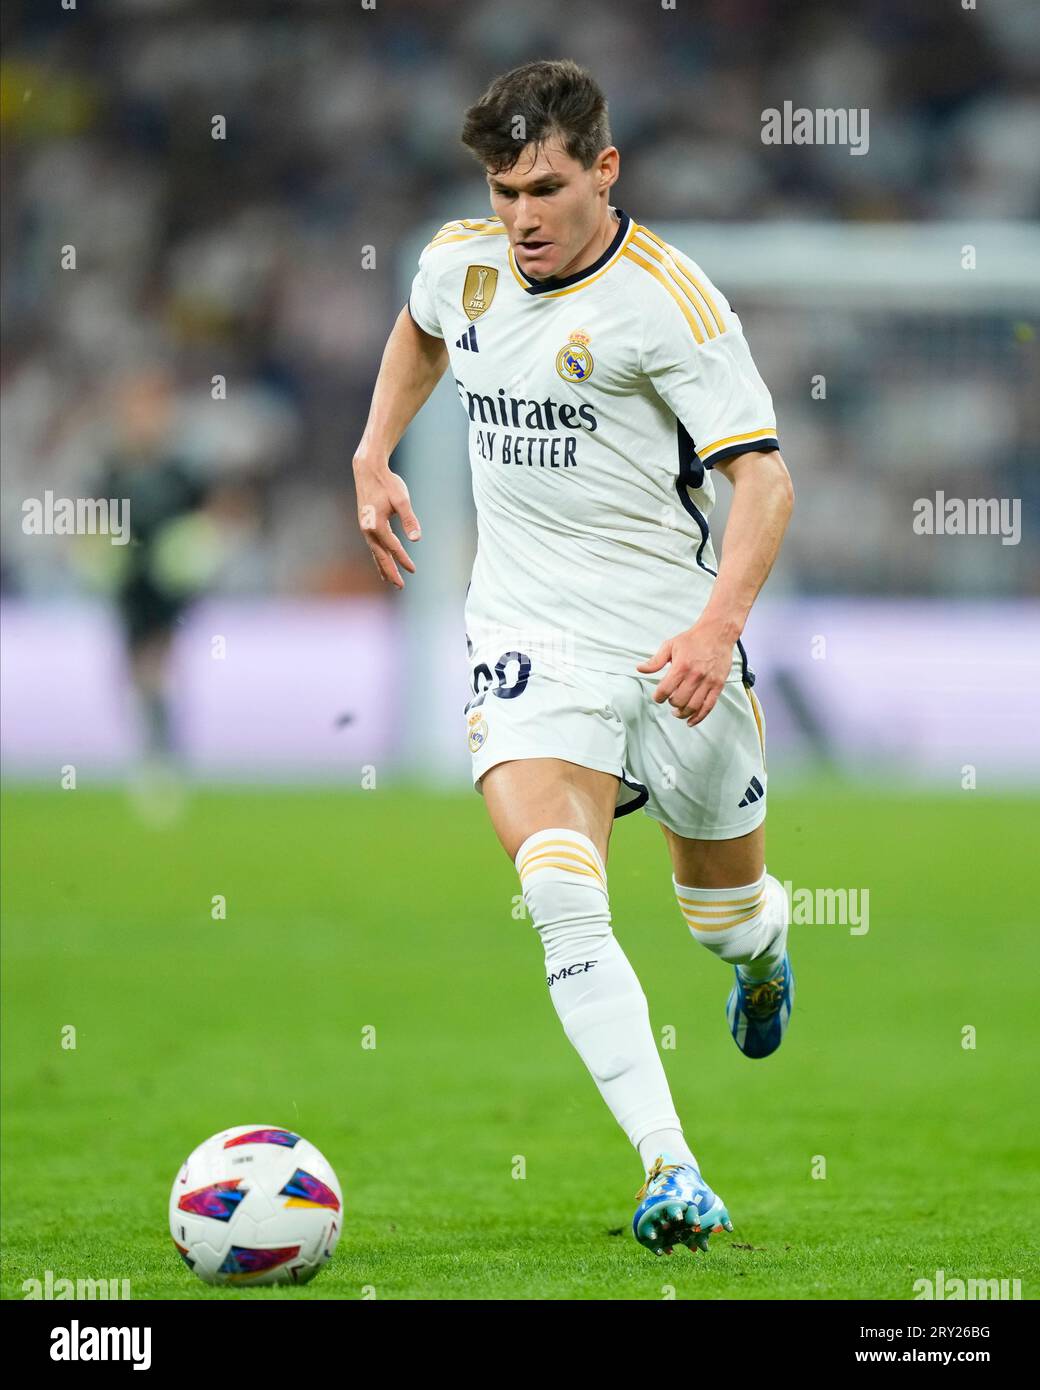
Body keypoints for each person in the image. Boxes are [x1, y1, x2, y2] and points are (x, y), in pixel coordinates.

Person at [352, 59, 795, 1258]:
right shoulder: (465, 261)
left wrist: (716, 632)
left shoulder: (672, 303)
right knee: (557, 890)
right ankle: (673, 1168)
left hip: (669, 647)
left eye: (544, 187)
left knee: (719, 914)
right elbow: (419, 327)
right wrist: (374, 448)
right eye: (502, 189)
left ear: (604, 170)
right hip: (525, 639)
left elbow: (764, 479)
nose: (521, 217)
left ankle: (760, 949)